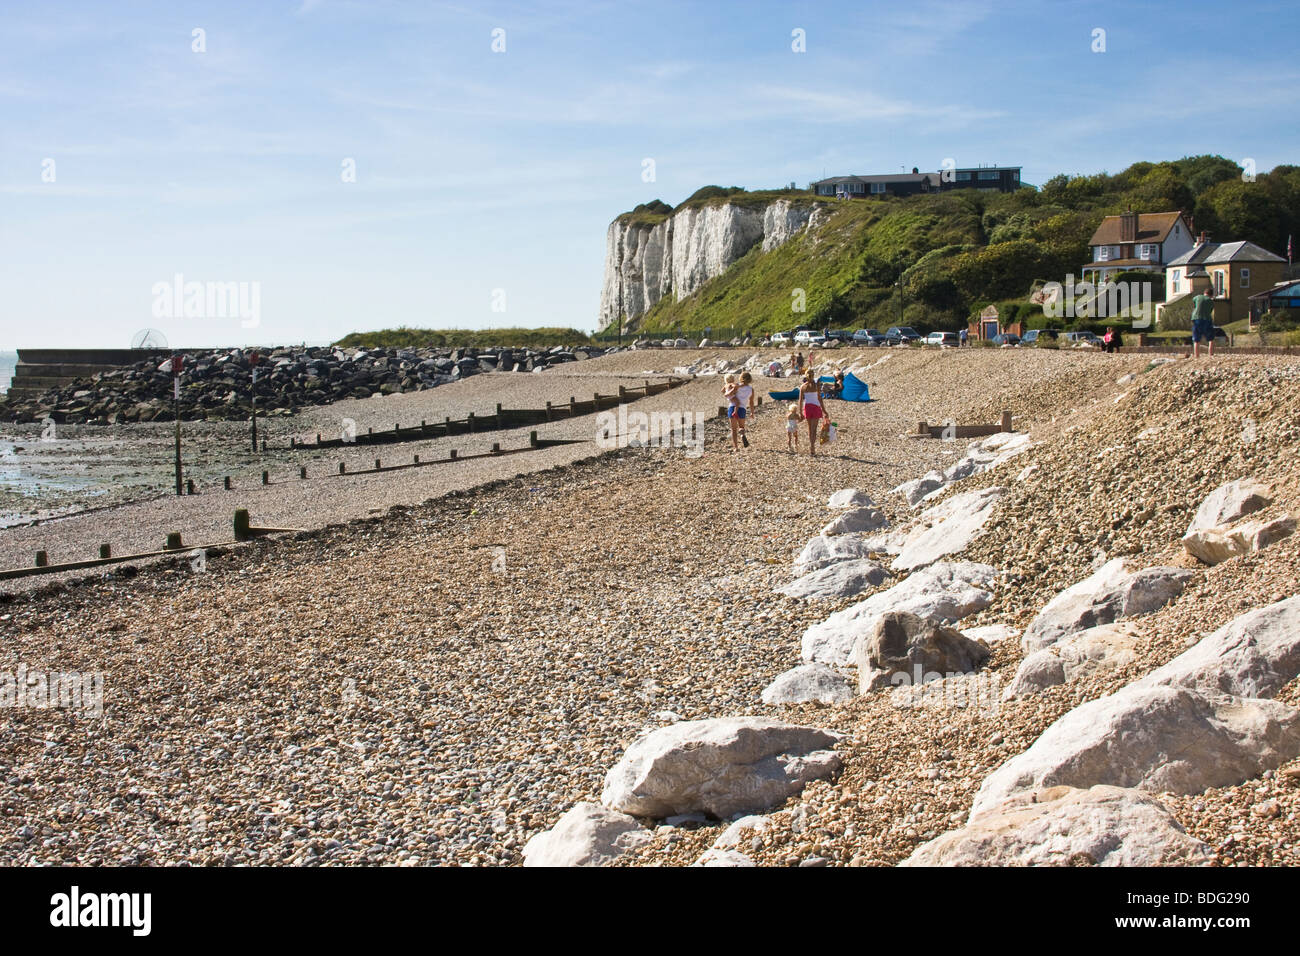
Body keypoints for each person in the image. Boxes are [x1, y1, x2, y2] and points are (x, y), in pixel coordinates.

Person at [799, 370, 824, 457]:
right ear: (813, 375)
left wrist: (800, 413)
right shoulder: (816, 385)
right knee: (814, 428)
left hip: (807, 408)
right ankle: (813, 446)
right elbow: (819, 398)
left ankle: (811, 445)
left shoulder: (803, 386)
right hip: (816, 407)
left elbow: (800, 401)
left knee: (810, 428)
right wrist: (824, 410)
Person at [1191, 288, 1216, 358]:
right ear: (1211, 295)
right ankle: (1210, 355)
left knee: (1196, 339)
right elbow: (1210, 311)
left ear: (1204, 293)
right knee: (1211, 339)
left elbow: (1194, 302)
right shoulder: (1211, 301)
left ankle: (1197, 356)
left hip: (1196, 318)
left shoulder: (1197, 297)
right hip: (1206, 319)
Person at [722, 373, 743, 452]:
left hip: (730, 402)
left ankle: (736, 447)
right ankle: (735, 411)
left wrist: (727, 393)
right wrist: (732, 391)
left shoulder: (726, 385)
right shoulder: (732, 384)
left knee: (733, 429)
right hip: (737, 406)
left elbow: (722, 391)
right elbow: (735, 386)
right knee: (738, 403)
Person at [736, 372, 755, 448]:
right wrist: (752, 412)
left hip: (734, 407)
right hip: (742, 409)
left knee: (733, 428)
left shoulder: (737, 386)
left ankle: (735, 447)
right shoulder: (751, 389)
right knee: (741, 426)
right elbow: (751, 402)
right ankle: (742, 435)